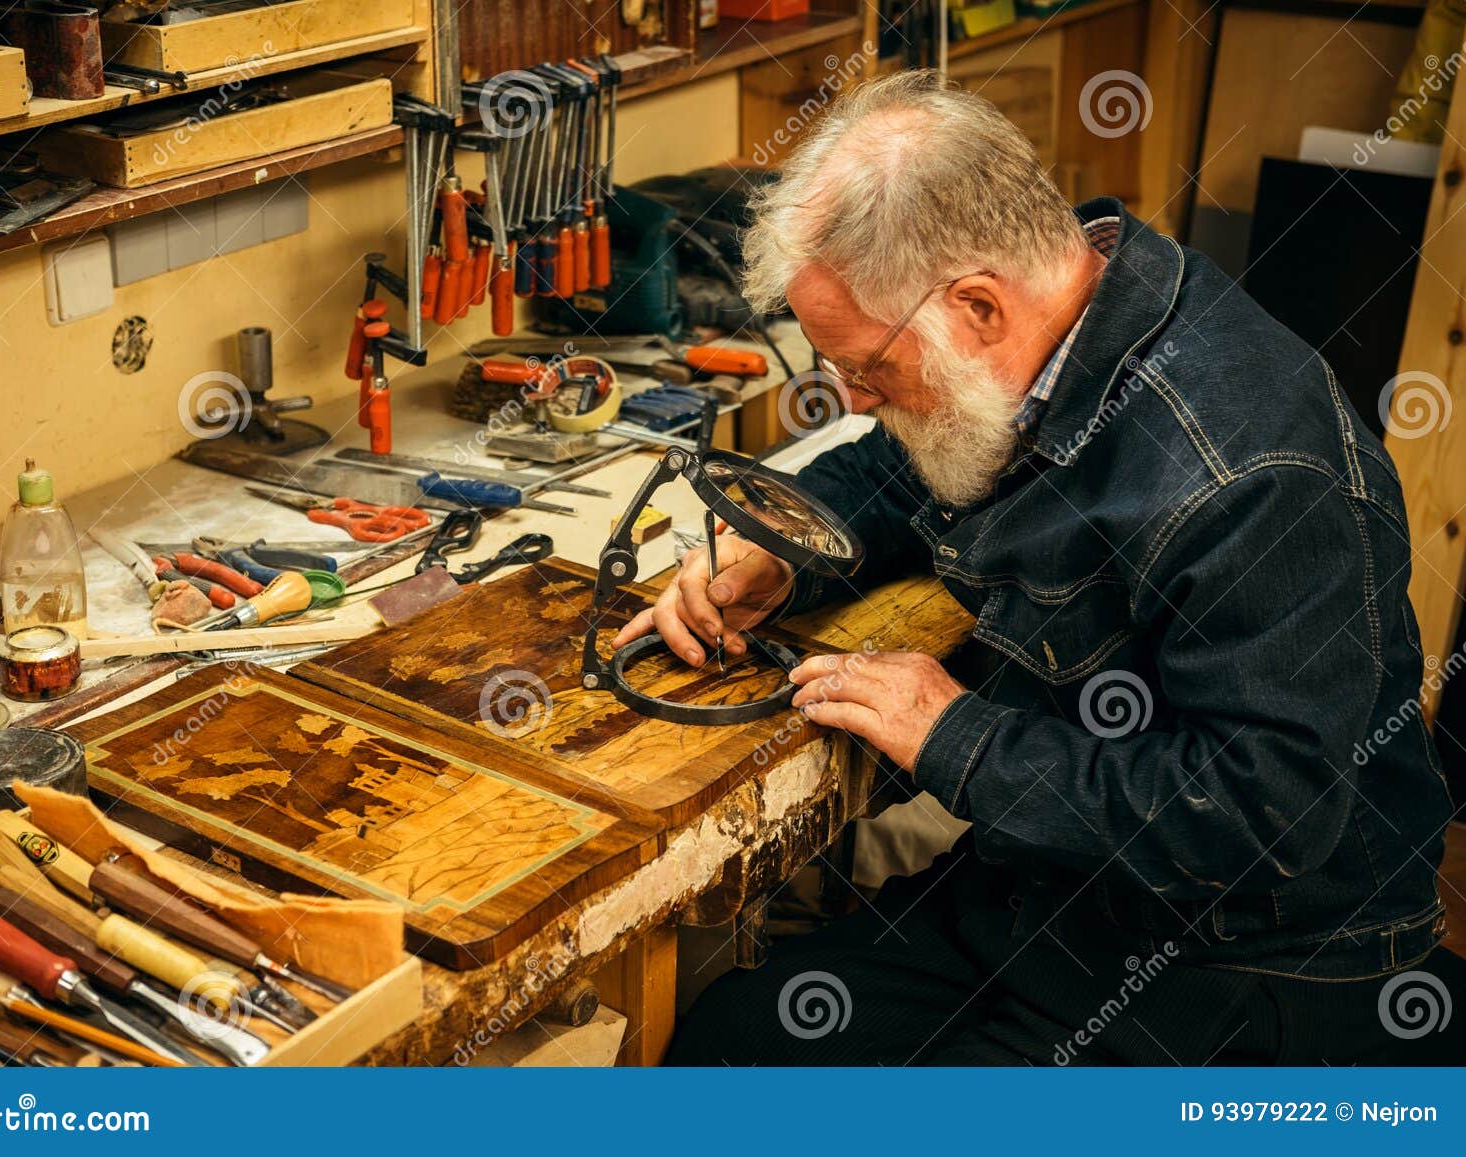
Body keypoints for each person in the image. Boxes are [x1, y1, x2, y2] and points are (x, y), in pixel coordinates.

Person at [615, 71, 1456, 1065]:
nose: (847, 400)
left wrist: (955, 735)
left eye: (870, 371)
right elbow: (904, 458)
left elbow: (1261, 818)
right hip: (1061, 887)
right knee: (730, 1048)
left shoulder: (1245, 474)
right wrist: (788, 548)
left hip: (1253, 956)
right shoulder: (1055, 323)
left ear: (974, 305)